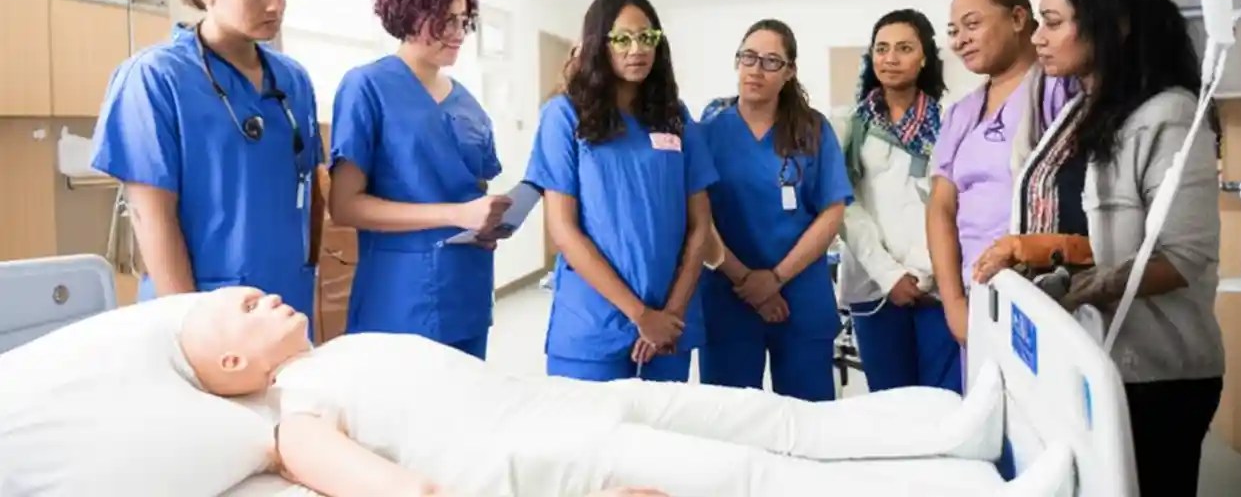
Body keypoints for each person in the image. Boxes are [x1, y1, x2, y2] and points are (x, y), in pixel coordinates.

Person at [171, 287, 1004, 497]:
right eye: (242, 309)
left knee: (773, 416)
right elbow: (411, 495)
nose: (263, 296)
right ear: (236, 371)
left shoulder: (346, 344)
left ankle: (961, 435)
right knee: (760, 481)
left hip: (566, 400)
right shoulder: (296, 422)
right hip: (551, 457)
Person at [972, 0, 1224, 497]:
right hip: (1084, 357)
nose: (1037, 37)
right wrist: (1028, 253)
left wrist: (1064, 293)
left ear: (1116, 25)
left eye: (1054, 22)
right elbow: (1085, 234)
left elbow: (1181, 259)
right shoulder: (1080, 111)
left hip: (1154, 373)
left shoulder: (1170, 116)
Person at [90, 0, 325, 314]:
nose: (275, 5)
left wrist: (309, 267)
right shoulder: (154, 78)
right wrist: (192, 322)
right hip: (204, 304)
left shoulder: (292, 79)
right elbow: (151, 217)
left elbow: (310, 185)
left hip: (286, 299)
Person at [525, 0, 718, 382]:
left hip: (669, 321)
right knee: (589, 440)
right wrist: (640, 315)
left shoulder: (674, 116)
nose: (637, 49)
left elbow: (700, 225)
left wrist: (670, 314)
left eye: (647, 37)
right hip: (593, 322)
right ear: (599, 44)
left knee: (665, 439)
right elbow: (563, 229)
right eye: (622, 38)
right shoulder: (565, 115)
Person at [327, 0, 511, 360]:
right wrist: (455, 215)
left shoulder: (469, 106)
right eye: (444, 20)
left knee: (465, 410)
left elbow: (474, 193)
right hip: (399, 294)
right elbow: (344, 205)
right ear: (408, 14)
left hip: (467, 289)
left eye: (463, 21)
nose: (457, 33)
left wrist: (486, 224)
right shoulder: (367, 87)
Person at [697, 19, 852, 402]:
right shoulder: (707, 131)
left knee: (808, 422)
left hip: (801, 296)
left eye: (770, 61)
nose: (756, 69)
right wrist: (750, 283)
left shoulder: (813, 129)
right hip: (728, 295)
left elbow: (832, 212)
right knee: (729, 421)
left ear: (790, 71)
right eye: (748, 57)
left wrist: (776, 279)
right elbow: (698, 218)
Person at [927, 0, 1075, 347]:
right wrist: (955, 306)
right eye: (953, 31)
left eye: (972, 24)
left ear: (1018, 19)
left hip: (1040, 291)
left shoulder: (1057, 92)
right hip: (975, 295)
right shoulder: (962, 113)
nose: (960, 40)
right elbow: (940, 209)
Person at [837, 9, 959, 394]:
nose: (890, 58)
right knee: (890, 400)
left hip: (938, 283)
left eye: (904, 48)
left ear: (924, 57)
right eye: (882, 48)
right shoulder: (850, 124)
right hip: (875, 283)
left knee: (943, 398)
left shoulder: (952, 122)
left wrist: (926, 273)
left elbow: (953, 203)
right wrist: (891, 276)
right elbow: (844, 205)